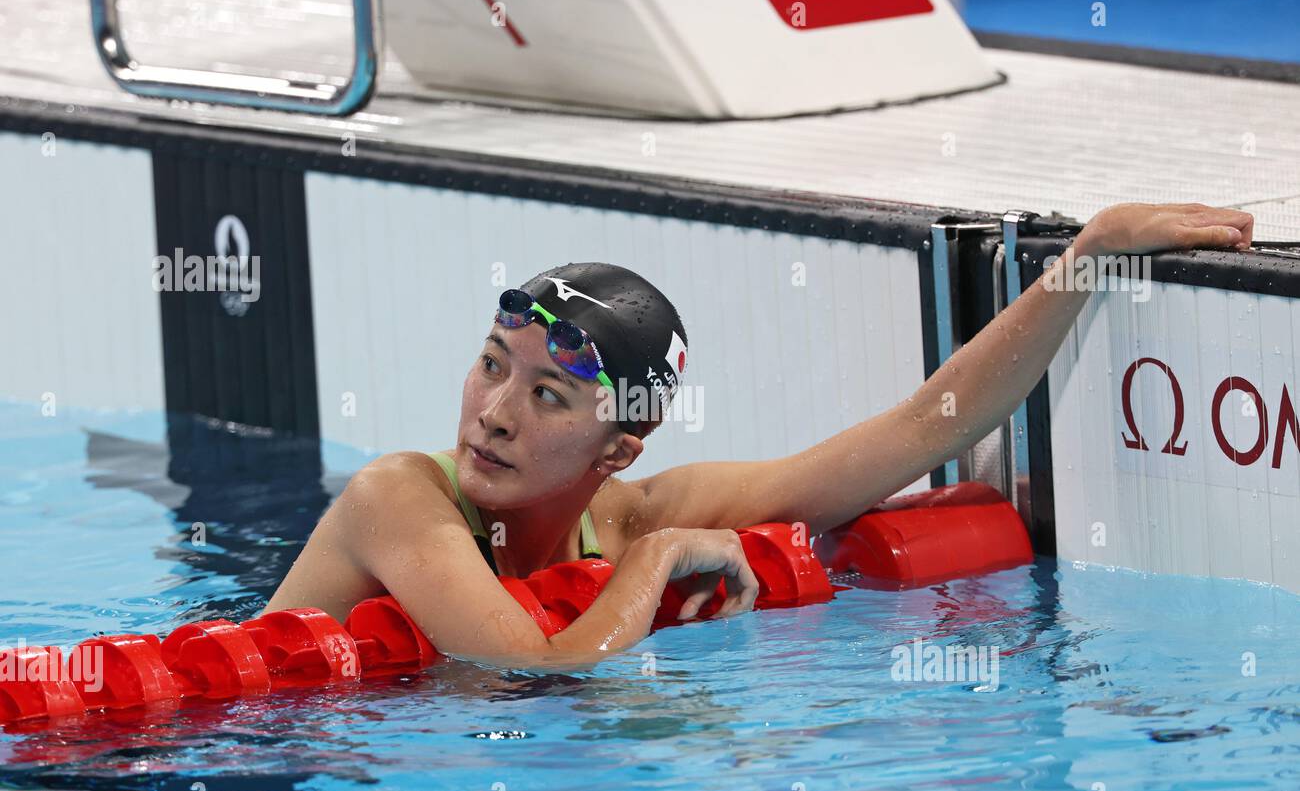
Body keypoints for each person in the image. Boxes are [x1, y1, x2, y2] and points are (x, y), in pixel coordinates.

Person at [265, 202, 1254, 667]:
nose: (492, 411)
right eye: (492, 364)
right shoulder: (397, 496)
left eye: (550, 395)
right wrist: (648, 572)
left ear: (620, 447)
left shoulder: (634, 506)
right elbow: (536, 672)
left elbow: (919, 429)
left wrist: (1082, 260)